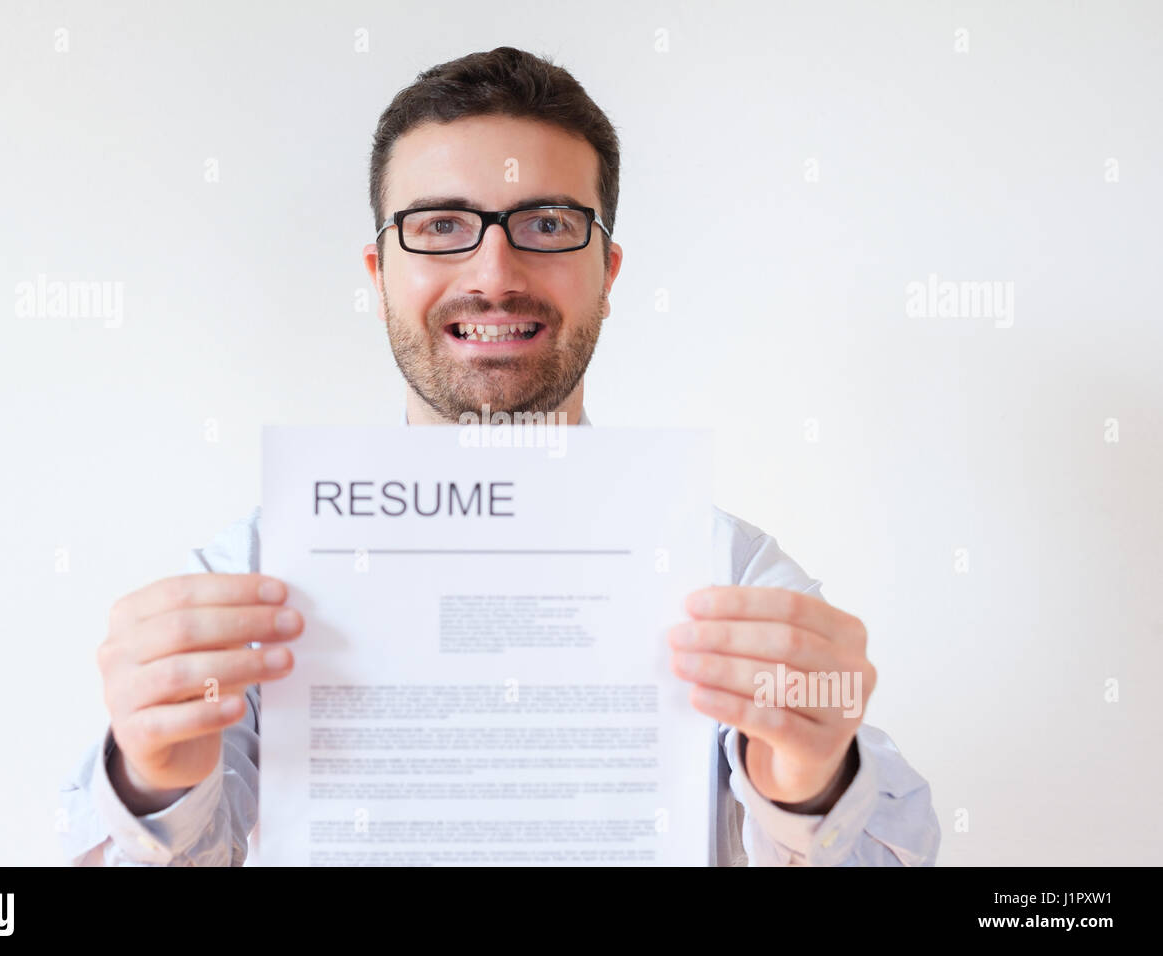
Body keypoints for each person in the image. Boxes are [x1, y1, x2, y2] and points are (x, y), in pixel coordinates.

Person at [57, 46, 940, 867]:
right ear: (378, 274)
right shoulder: (248, 578)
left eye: (547, 222)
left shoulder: (729, 575)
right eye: (441, 224)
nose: (493, 271)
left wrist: (813, 791)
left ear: (608, 271)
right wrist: (152, 782)